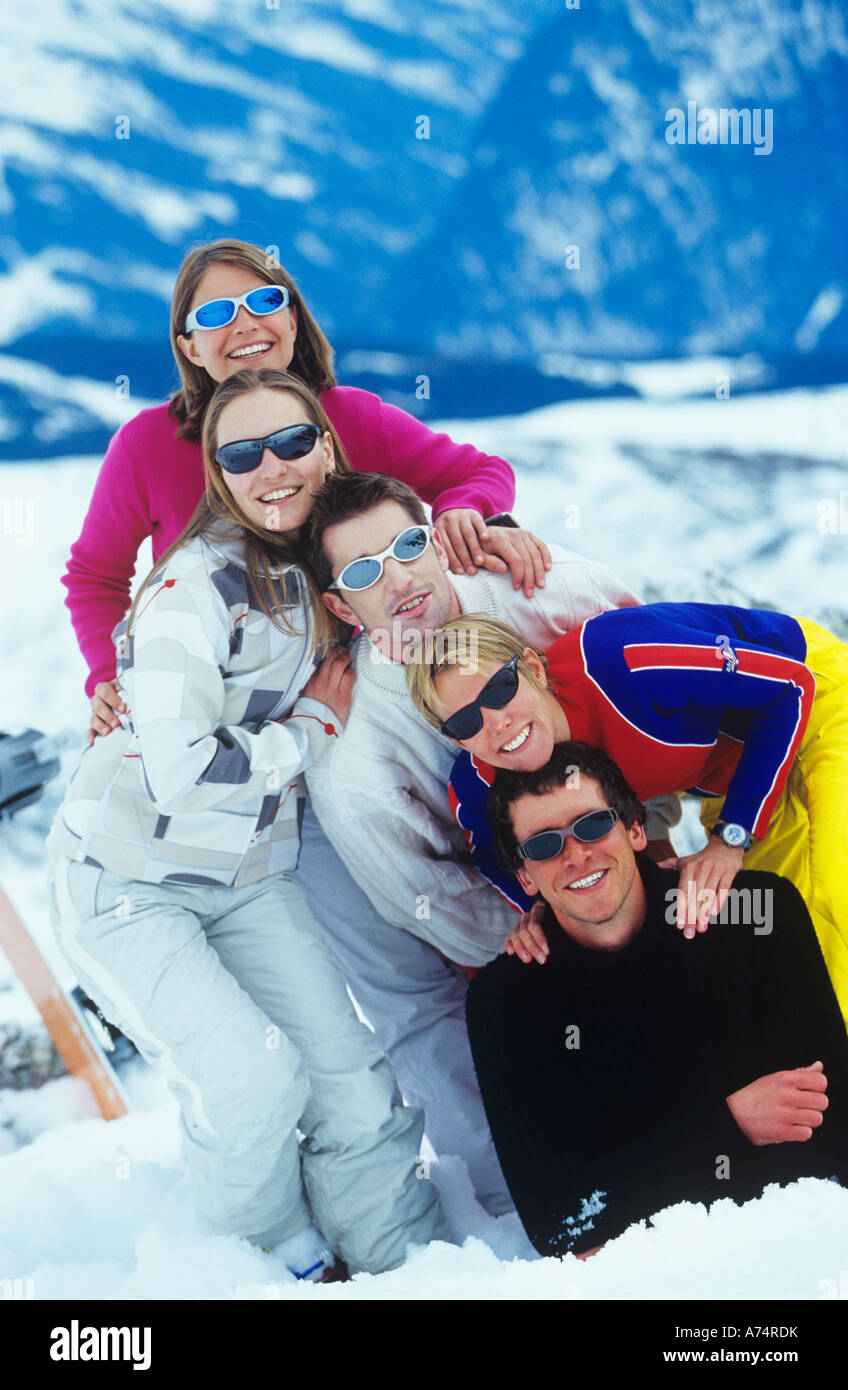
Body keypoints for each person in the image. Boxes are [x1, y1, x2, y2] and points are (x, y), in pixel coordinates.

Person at [60, 236, 547, 1216]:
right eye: (213, 313)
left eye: (262, 299)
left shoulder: (351, 419)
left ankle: (524, 1150)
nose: (242, 324)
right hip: (257, 774)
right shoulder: (156, 481)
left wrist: (471, 520)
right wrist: (110, 676)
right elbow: (97, 576)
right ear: (186, 347)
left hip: (368, 732)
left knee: (447, 949)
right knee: (372, 992)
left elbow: (471, 473)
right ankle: (464, 1190)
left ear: (295, 315)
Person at [47, 369, 445, 1281]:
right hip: (129, 882)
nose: (273, 467)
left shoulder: (332, 561)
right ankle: (275, 1264)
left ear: (328, 446)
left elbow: (426, 546)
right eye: (241, 453)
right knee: (251, 1085)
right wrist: (302, 734)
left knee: (350, 1083)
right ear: (219, 476)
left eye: (293, 443)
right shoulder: (194, 588)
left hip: (248, 875)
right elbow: (183, 773)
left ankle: (410, 1263)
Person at [299, 470, 681, 1209]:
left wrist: (650, 849)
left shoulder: (537, 582)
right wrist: (559, 922)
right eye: (363, 572)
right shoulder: (356, 766)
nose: (400, 578)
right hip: (523, 922)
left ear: (437, 539)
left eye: (409, 545)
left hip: (637, 843)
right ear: (340, 606)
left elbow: (655, 677)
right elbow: (426, 898)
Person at [465, 742, 848, 1258]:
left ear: (636, 829)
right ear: (526, 877)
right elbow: (560, 1221)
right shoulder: (504, 1002)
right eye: (543, 845)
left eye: (593, 824)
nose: (575, 854)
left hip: (798, 1248)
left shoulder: (758, 916)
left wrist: (637, 1172)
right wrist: (730, 1122)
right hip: (658, 1278)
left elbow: (833, 1135)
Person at [407, 605, 848, 1020]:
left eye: (500, 689)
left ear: (534, 669)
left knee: (838, 885)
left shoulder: (624, 662)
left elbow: (789, 686)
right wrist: (543, 909)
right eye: (465, 722)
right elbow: (493, 854)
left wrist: (731, 838)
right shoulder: (480, 787)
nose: (495, 722)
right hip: (741, 776)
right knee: (790, 936)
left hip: (815, 699)